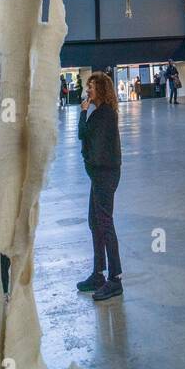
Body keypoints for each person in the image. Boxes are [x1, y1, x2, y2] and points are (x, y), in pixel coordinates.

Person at [77, 72, 124, 301]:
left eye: (92, 87)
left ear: (101, 90)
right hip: (99, 175)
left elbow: (82, 134)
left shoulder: (104, 114)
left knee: (105, 224)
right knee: (95, 222)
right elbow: (86, 138)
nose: (88, 91)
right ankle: (98, 273)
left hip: (105, 176)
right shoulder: (102, 113)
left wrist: (84, 111)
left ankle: (115, 278)